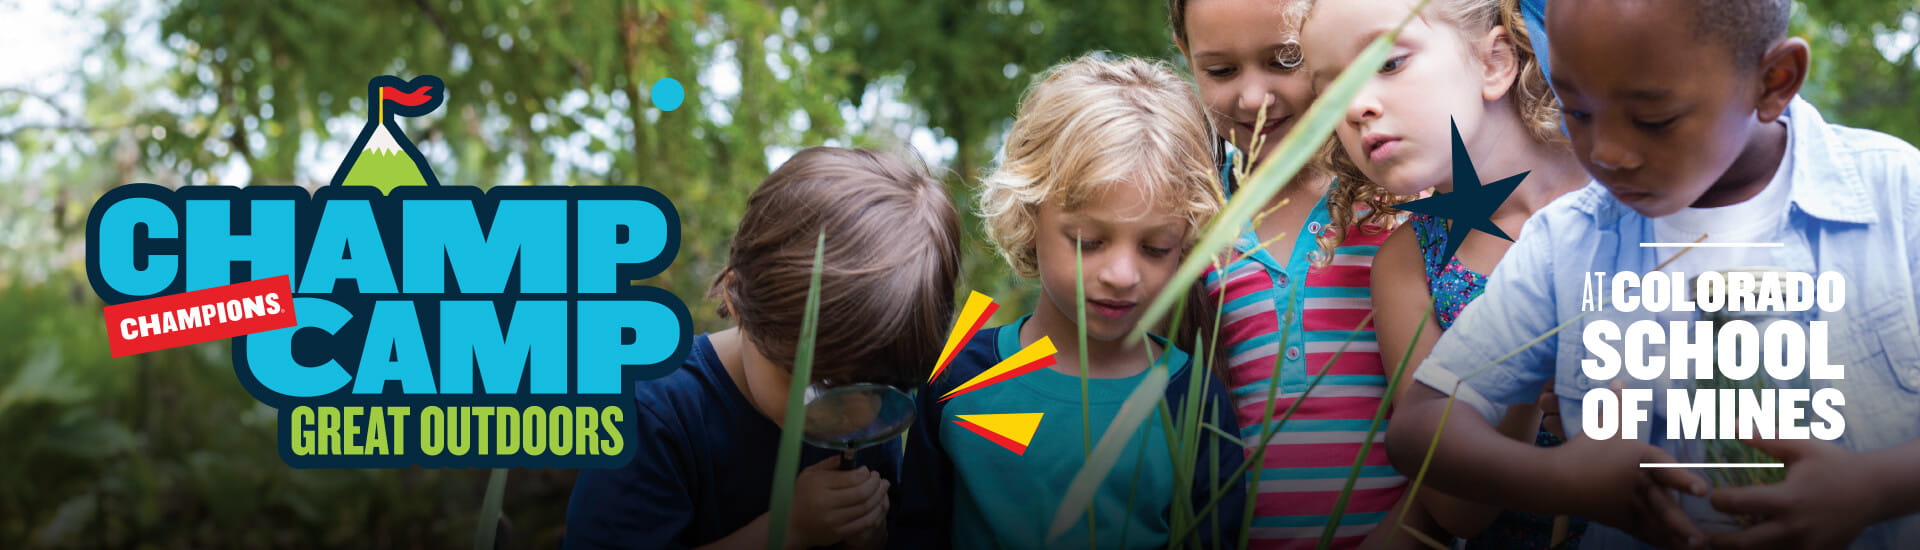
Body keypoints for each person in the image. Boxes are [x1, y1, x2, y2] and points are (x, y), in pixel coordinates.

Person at [1388, 0, 1920, 548]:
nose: (1607, 153)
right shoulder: (1567, 240)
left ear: (1774, 81)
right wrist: (1561, 479)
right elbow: (1421, 424)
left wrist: (1875, 487)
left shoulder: (1899, 197)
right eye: (1578, 112)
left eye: (1653, 120)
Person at [890, 54, 1242, 550]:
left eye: (1155, 248)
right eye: (1088, 241)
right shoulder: (956, 376)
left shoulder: (1193, 400)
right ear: (1029, 216)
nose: (1121, 275)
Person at [566, 147, 962, 549]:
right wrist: (788, 530)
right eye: (820, 380)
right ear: (737, 299)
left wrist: (871, 535)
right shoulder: (651, 413)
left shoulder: (870, 413)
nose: (848, 413)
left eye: (875, 386)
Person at [1299, 0, 1592, 546]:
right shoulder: (1409, 265)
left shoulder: (1630, 198)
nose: (1357, 107)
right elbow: (1453, 508)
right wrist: (1525, 362)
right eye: (1331, 93)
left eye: (1389, 63)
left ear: (1493, 62)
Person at [1170, 0, 1422, 546]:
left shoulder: (1402, 200)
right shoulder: (1185, 224)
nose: (1253, 97)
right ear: (1186, 56)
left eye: (1284, 60)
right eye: (1221, 70)